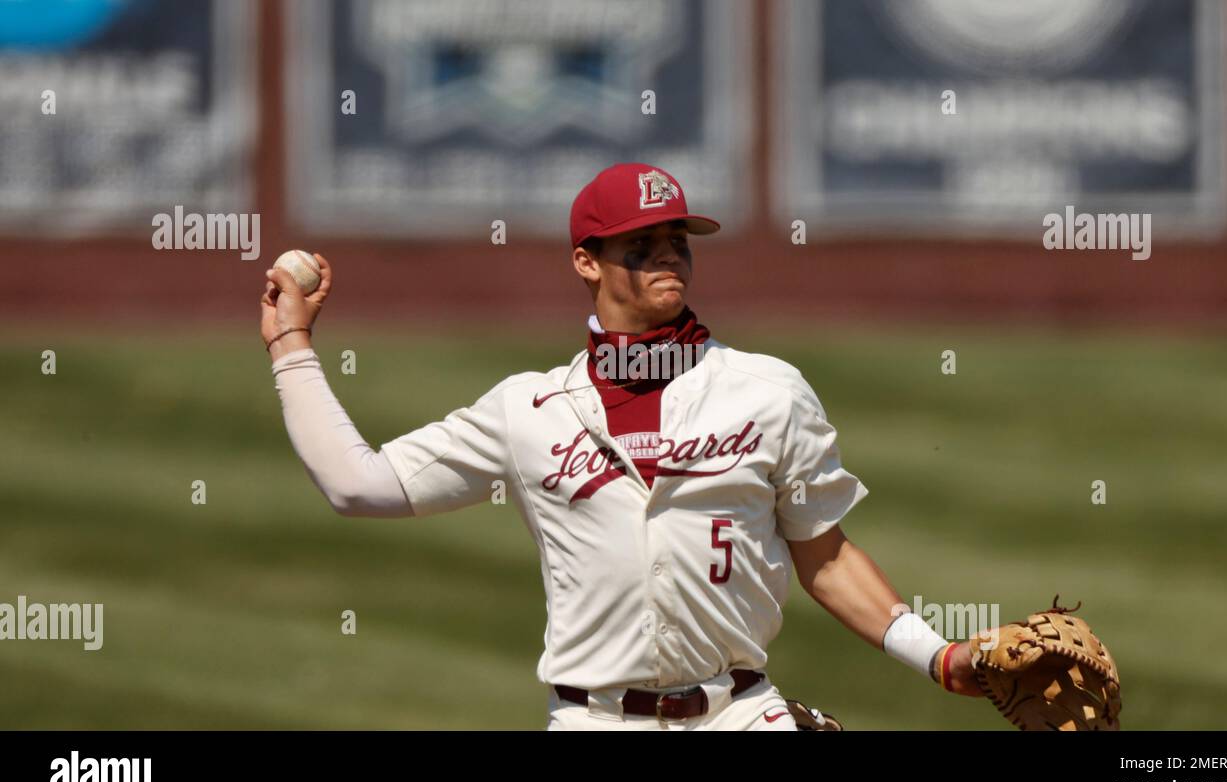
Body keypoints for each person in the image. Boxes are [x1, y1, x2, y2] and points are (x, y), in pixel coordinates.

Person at [261, 162, 982, 731]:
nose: (669, 253)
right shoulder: (528, 411)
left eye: (677, 239)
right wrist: (290, 344)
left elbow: (826, 557)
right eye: (642, 244)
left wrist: (942, 655)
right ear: (587, 261)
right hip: (591, 718)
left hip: (741, 712)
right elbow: (358, 484)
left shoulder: (768, 390)